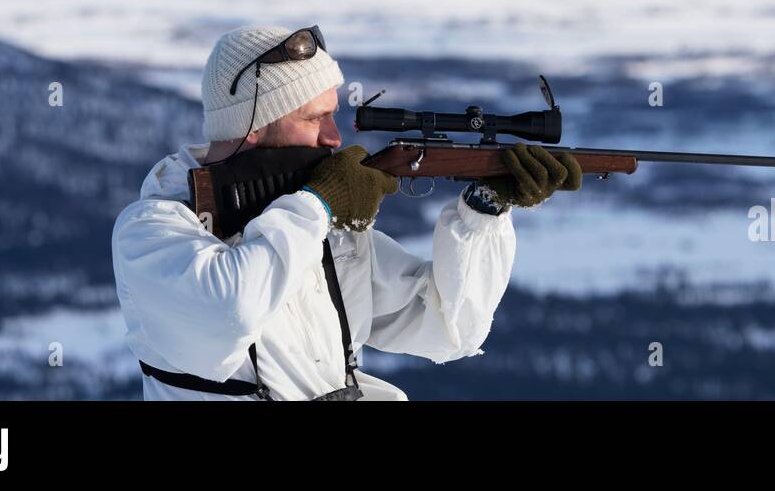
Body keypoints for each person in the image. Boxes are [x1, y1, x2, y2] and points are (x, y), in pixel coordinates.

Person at [111, 23, 581, 400]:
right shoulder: (151, 231)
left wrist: (485, 210)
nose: (334, 139)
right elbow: (229, 310)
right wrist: (318, 204)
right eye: (315, 119)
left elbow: (446, 326)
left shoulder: (320, 229)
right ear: (251, 125)